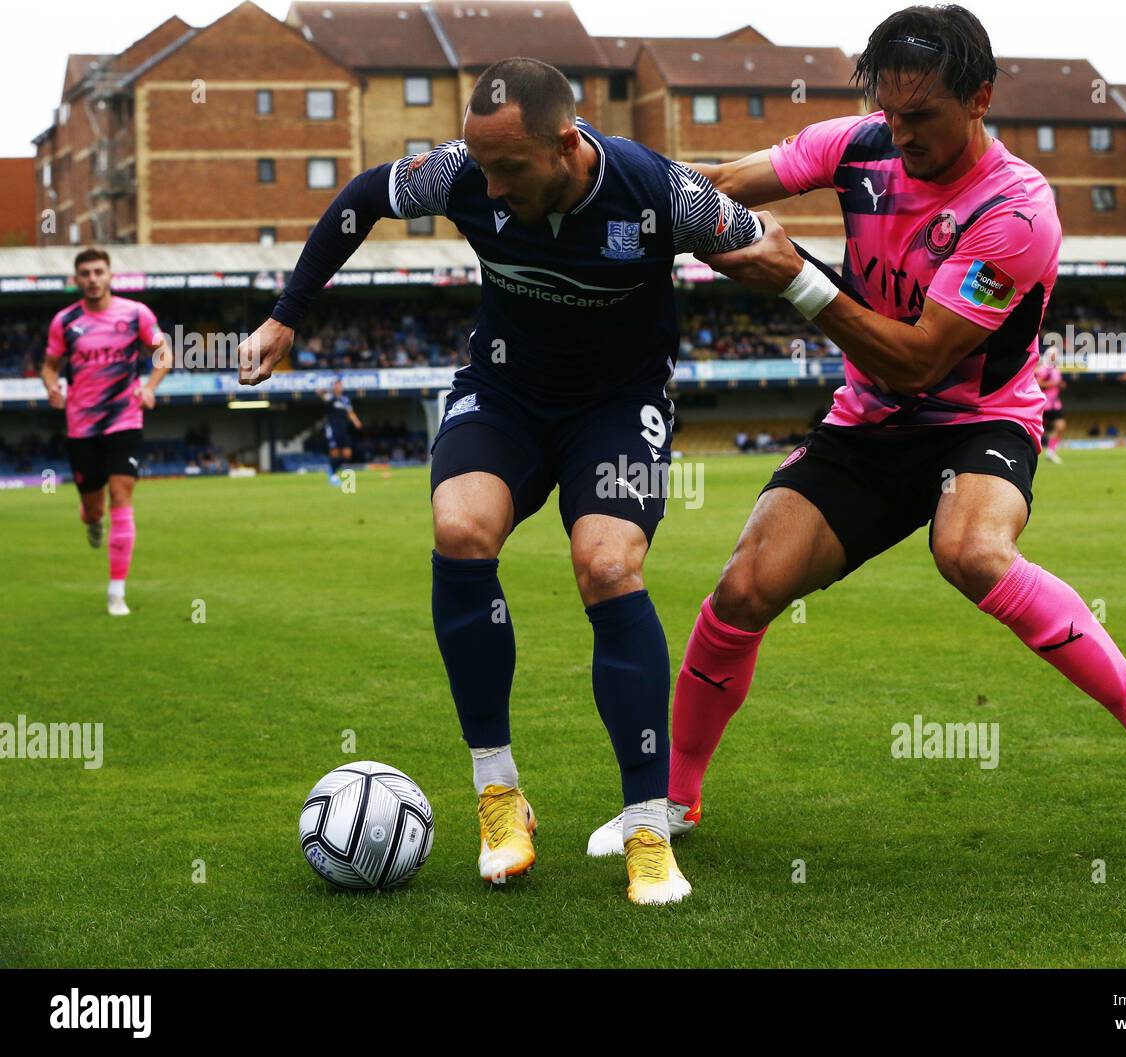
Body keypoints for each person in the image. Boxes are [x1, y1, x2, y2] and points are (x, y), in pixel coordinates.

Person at [587, 3, 1126, 869]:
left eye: (921, 116)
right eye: (890, 113)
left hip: (978, 419)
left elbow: (920, 364)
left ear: (980, 97)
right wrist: (597, 193)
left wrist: (799, 280)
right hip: (868, 425)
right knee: (743, 590)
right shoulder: (859, 144)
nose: (900, 134)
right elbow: (708, 187)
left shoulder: (1016, 209)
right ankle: (674, 799)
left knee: (970, 550)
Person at [237, 57, 762, 904]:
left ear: (567, 142)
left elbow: (772, 249)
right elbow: (363, 197)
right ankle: (500, 795)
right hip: (504, 393)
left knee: (607, 565)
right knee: (460, 528)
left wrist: (856, 322)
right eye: (480, 167)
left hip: (617, 409)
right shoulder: (464, 174)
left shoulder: (662, 190)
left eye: (508, 168)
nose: (488, 185)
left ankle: (647, 830)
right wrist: (285, 315)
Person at [41, 247, 171, 616]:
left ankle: (117, 592)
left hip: (124, 419)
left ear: (110, 275)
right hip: (81, 426)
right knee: (93, 508)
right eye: (86, 273)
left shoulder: (135, 314)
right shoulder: (64, 322)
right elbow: (50, 366)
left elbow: (163, 351)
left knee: (121, 495)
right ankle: (91, 519)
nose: (93, 278)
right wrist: (51, 386)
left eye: (99, 271)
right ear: (77, 279)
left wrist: (149, 387)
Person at [318, 378, 362, 485]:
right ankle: (332, 475)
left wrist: (356, 421)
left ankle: (332, 470)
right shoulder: (330, 397)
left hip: (343, 429)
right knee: (335, 452)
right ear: (333, 387)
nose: (339, 387)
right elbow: (322, 396)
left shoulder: (345, 399)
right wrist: (321, 392)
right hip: (333, 429)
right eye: (337, 385)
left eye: (340, 385)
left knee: (347, 454)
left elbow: (350, 412)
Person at [1036, 352, 1066, 463]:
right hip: (1043, 404)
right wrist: (1053, 383)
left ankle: (1050, 452)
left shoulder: (1056, 369)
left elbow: (1057, 383)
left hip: (1054, 404)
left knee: (1061, 426)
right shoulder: (1043, 369)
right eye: (1054, 355)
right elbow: (1038, 383)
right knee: (1037, 430)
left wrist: (1060, 384)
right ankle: (1033, 451)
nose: (1056, 357)